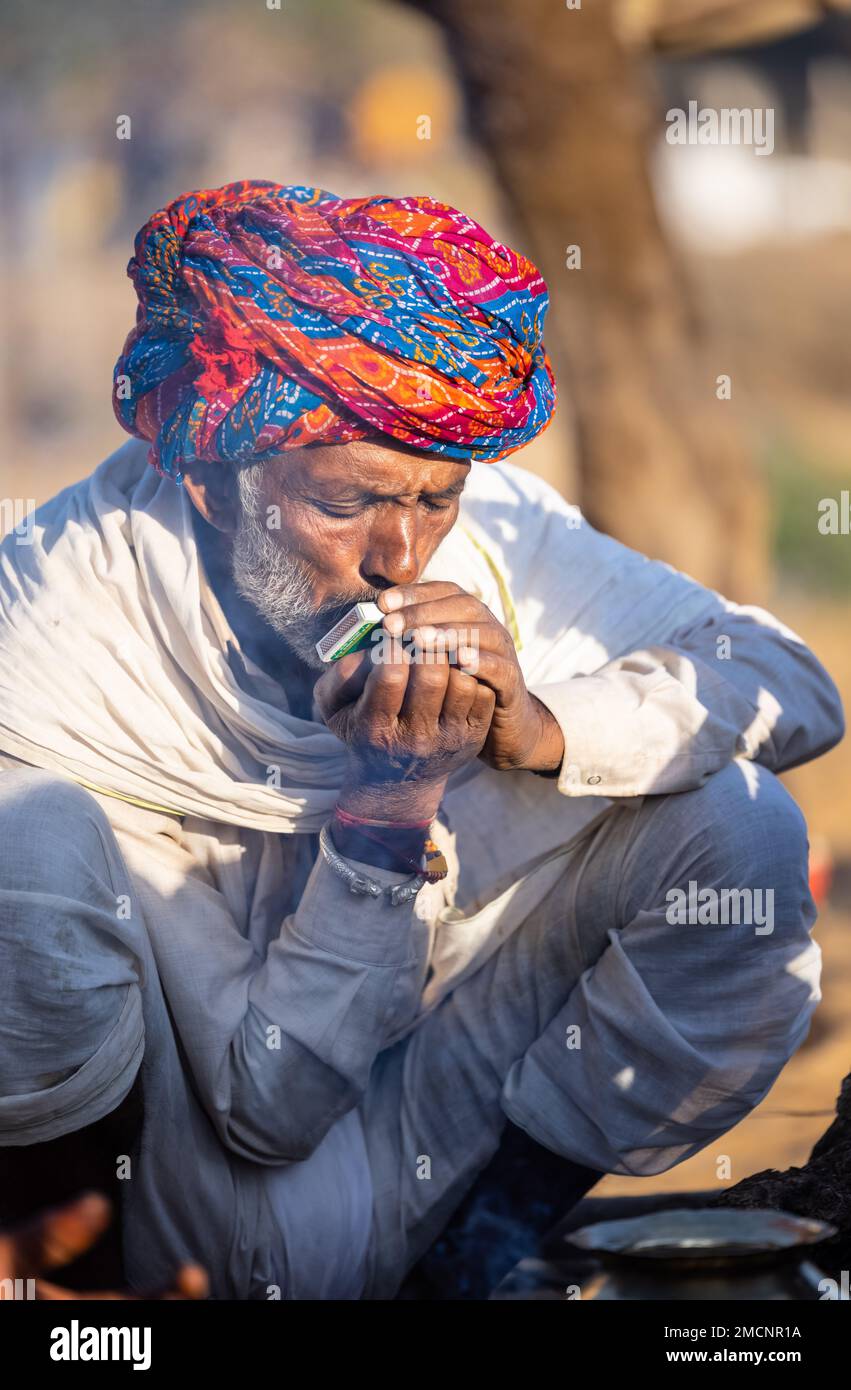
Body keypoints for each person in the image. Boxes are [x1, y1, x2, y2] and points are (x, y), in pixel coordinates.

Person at [0, 182, 843, 1300]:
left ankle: (476, 1265)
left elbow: (786, 687)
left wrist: (537, 727)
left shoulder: (495, 534)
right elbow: (266, 1108)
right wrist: (388, 816)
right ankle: (86, 1312)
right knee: (31, 846)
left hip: (424, 1141)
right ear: (209, 482)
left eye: (435, 499)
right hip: (174, 1202)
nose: (403, 555)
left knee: (733, 826)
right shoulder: (59, 634)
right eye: (347, 504)